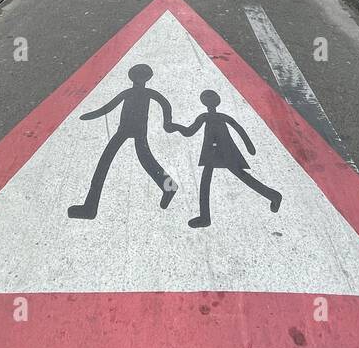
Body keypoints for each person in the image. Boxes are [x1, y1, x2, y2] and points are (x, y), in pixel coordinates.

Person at [69, 65, 178, 219]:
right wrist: (91, 115)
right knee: (133, 162)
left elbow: (164, 104)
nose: (139, 80)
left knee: (113, 163)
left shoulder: (142, 93)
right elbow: (107, 108)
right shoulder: (132, 93)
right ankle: (90, 207)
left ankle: (90, 206)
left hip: (134, 130)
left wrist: (168, 123)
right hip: (125, 130)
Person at [171, 90, 282, 229]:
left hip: (222, 150)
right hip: (216, 150)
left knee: (233, 177)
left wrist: (175, 127)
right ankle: (205, 216)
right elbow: (238, 129)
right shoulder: (211, 117)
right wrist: (249, 147)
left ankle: (273, 195)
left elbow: (189, 131)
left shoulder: (206, 116)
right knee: (216, 178)